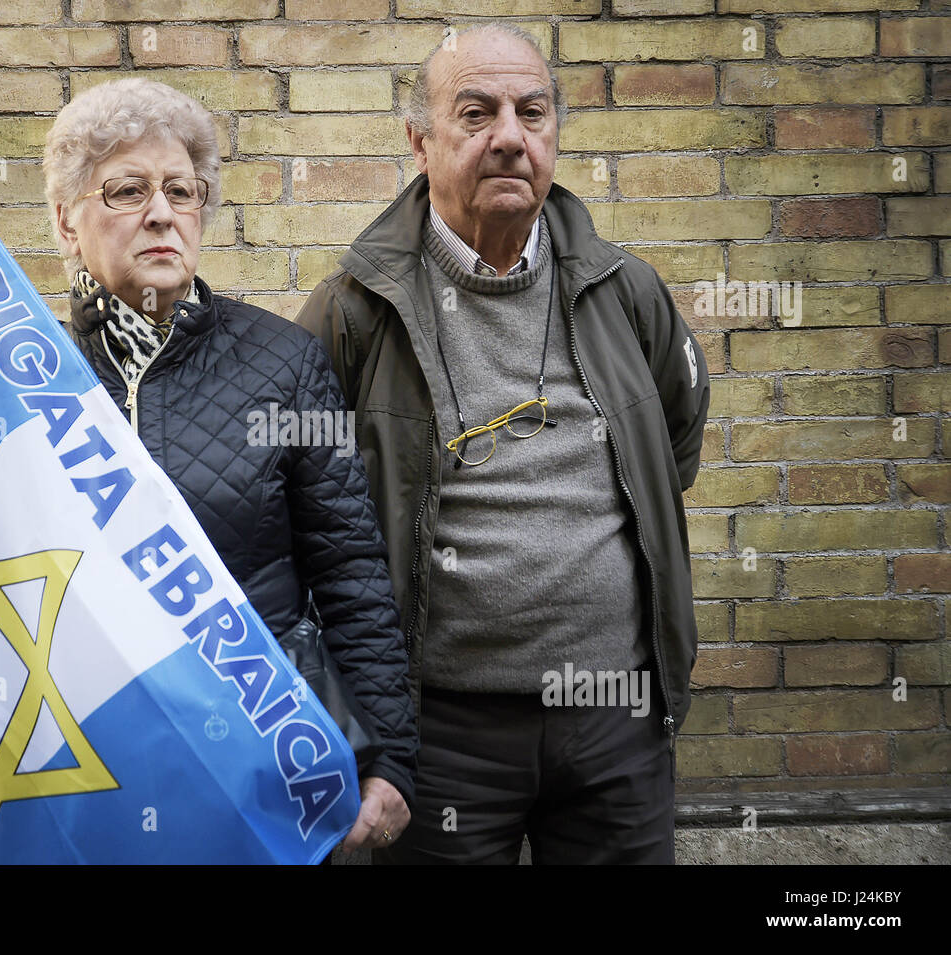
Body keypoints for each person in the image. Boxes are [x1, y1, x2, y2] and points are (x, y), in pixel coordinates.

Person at [297, 24, 710, 864]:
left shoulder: (622, 289)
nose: (510, 138)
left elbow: (671, 442)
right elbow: (309, 504)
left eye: (533, 111)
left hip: (616, 721)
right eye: (476, 113)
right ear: (420, 141)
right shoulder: (355, 309)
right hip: (439, 729)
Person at [43, 78, 415, 854]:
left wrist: (386, 758)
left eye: (183, 190)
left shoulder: (284, 364)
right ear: (65, 222)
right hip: (79, 767)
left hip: (254, 761)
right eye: (126, 190)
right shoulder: (28, 381)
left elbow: (350, 571)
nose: (161, 212)